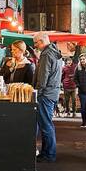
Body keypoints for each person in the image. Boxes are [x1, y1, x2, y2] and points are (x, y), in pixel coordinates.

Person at [33, 32, 63, 161]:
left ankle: (49, 154)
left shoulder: (46, 54)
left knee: (46, 125)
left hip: (45, 94)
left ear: (41, 41)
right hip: (52, 93)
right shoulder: (55, 52)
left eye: (36, 43)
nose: (35, 46)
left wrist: (37, 93)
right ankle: (47, 153)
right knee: (47, 124)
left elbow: (43, 77)